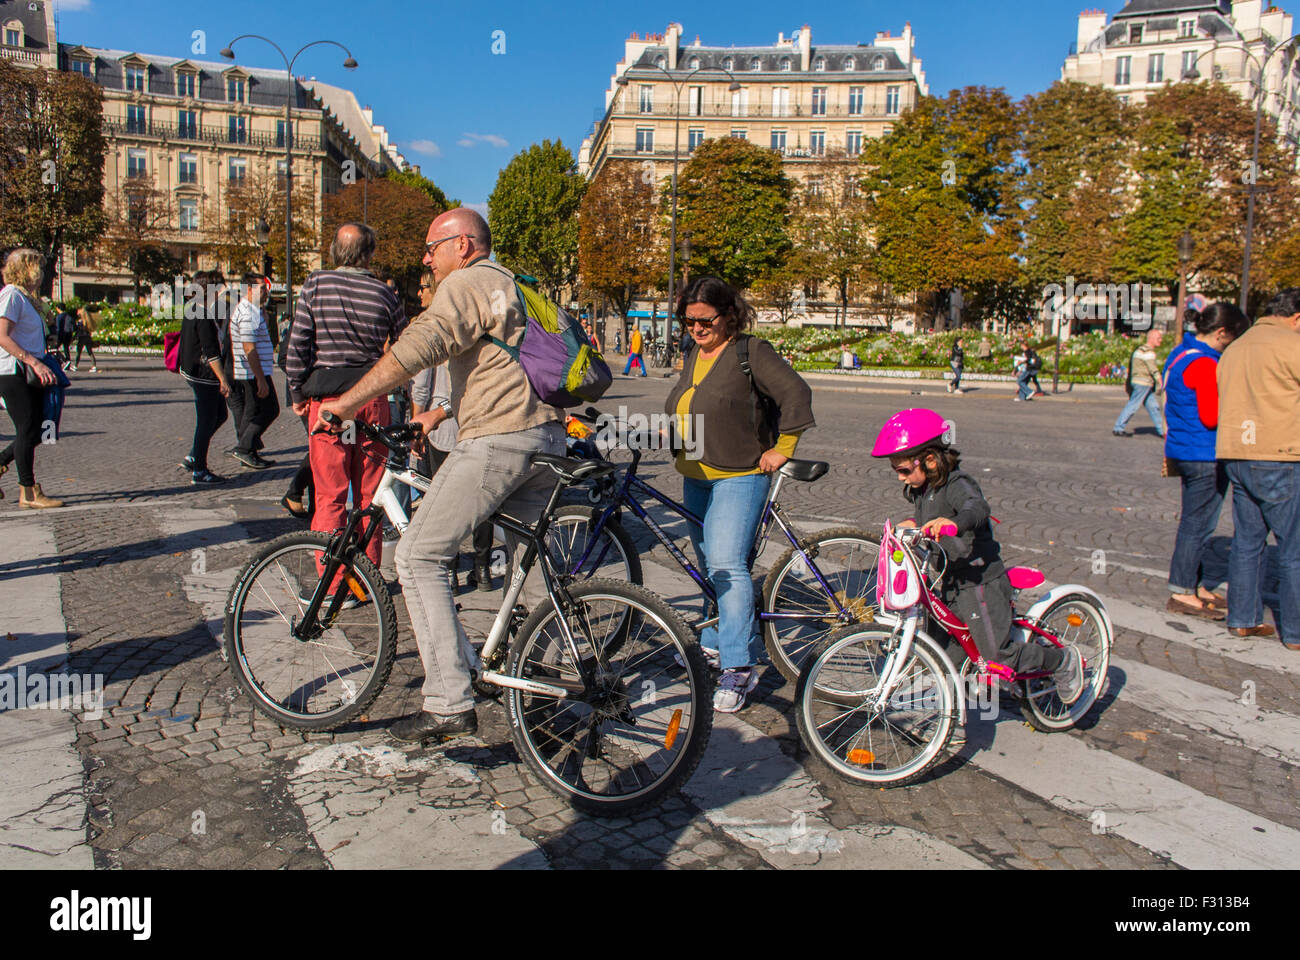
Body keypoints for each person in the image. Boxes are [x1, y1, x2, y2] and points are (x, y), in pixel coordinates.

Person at [313, 207, 565, 743]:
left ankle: (449, 702)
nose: (426, 259)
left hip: (499, 440)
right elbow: (500, 367)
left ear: (465, 245)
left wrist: (348, 403)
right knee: (527, 563)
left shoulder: (469, 281)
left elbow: (418, 347)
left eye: (433, 247)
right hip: (546, 436)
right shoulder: (517, 284)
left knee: (417, 555)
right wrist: (442, 411)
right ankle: (541, 669)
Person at [665, 276, 815, 712]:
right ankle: (715, 638)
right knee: (713, 567)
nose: (694, 328)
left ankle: (738, 665)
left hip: (739, 475)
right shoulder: (696, 352)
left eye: (704, 320)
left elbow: (795, 392)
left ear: (729, 315)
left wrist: (782, 448)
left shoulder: (751, 351)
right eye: (688, 320)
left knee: (727, 566)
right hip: (696, 474)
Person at [870, 408, 1085, 699]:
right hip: (948, 581)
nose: (900, 478)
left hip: (980, 581)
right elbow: (929, 519)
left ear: (930, 460)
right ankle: (949, 723)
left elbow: (977, 509)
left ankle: (1063, 662)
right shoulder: (923, 488)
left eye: (904, 470)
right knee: (941, 655)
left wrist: (954, 524)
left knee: (998, 657)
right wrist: (914, 525)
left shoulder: (958, 484)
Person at [286, 223, 407, 570]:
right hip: (371, 399)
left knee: (329, 496)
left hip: (329, 403)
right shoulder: (385, 294)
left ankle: (333, 580)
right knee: (370, 495)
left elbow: (299, 345)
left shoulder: (316, 284)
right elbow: (403, 347)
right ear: (370, 254)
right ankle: (368, 577)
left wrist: (297, 390)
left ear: (336, 252)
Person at [1216, 289, 1300, 649]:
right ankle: (1295, 632)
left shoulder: (1236, 347)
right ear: (1297, 318)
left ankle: (1242, 619)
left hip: (1237, 452)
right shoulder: (1290, 345)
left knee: (1248, 542)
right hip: (1280, 452)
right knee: (1294, 547)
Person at [1163, 303, 1251, 621]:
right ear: (1221, 333)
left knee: (1196, 522)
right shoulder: (1204, 363)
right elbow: (1211, 416)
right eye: (1234, 338)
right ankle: (1183, 589)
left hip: (1185, 447)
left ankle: (1194, 585)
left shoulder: (1180, 354)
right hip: (1203, 451)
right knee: (1198, 524)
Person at [0, 248, 63, 508]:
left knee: (38, 429)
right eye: (39, 267)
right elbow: (2, 335)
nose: (42, 274)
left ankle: (2, 461)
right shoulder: (12, 295)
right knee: (27, 429)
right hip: (14, 372)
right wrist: (33, 361)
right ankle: (28, 491)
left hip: (28, 372)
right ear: (28, 269)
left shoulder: (25, 298)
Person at [178, 270, 232, 485]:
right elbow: (211, 352)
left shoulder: (193, 309)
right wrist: (223, 379)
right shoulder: (202, 314)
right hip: (204, 376)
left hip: (195, 373)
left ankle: (194, 455)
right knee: (206, 420)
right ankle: (199, 469)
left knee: (219, 415)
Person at [226, 273, 279, 469]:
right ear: (249, 289)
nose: (266, 291)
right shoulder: (247, 313)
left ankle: (247, 450)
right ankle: (244, 448)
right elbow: (249, 347)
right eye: (262, 288)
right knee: (270, 410)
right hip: (253, 372)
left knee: (253, 410)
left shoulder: (252, 310)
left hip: (252, 371)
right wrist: (260, 378)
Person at [1113, 329, 1165, 437]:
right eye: (1158, 338)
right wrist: (1161, 381)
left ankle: (1163, 431)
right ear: (1151, 338)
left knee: (1153, 407)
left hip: (1139, 382)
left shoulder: (1139, 350)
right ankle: (1118, 427)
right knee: (1133, 405)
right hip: (1143, 383)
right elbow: (1153, 369)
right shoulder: (1148, 353)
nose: (1161, 340)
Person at [69, 306, 99, 373]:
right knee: (90, 352)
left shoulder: (80, 322)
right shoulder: (88, 321)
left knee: (78, 352)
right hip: (88, 337)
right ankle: (94, 366)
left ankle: (76, 366)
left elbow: (78, 332)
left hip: (81, 338)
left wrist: (73, 339)